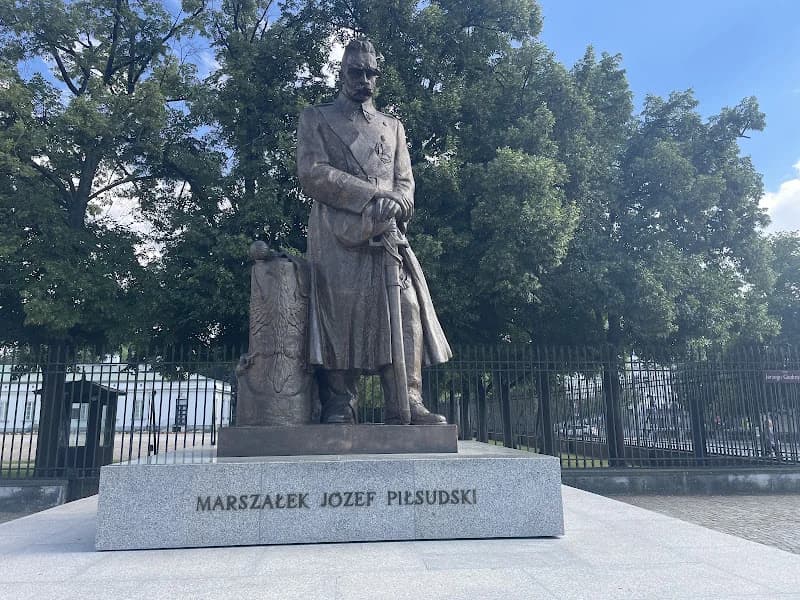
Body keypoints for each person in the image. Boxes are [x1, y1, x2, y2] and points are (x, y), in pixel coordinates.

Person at [296, 39, 452, 425]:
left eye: (371, 72)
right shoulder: (316, 117)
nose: (364, 79)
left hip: (386, 233)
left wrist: (399, 202)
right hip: (337, 233)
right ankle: (340, 402)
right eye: (356, 71)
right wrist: (373, 195)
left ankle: (406, 398)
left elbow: (405, 182)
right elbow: (312, 173)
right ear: (341, 73)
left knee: (405, 308)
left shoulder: (393, 127)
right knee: (340, 313)